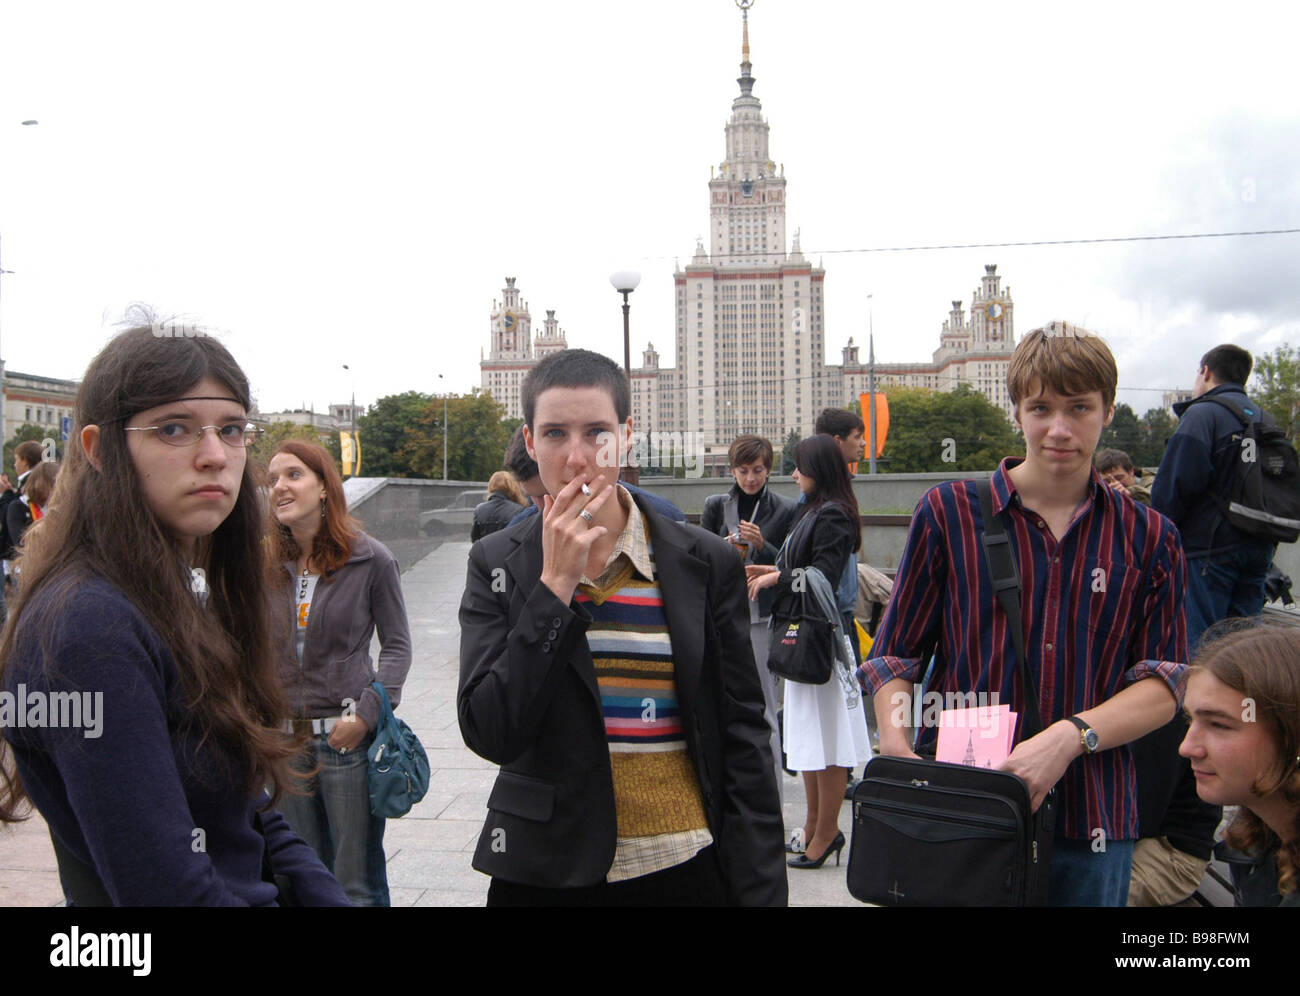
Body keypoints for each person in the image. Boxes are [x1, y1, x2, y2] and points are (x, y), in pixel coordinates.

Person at [0, 324, 349, 906]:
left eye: (231, 429)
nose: (215, 455)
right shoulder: (89, 627)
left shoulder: (167, 596)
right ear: (96, 448)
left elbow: (253, 816)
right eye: (173, 428)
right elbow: (167, 889)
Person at [862, 322, 1188, 906]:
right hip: (968, 804)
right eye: (1041, 407)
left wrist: (1069, 737)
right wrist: (895, 741)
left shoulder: (1150, 536)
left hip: (1094, 816)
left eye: (1079, 407)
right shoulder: (949, 513)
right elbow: (895, 655)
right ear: (1017, 411)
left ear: (1107, 410)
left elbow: (1164, 682)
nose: (1059, 429)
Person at [458, 348, 786, 906]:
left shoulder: (702, 562)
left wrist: (761, 887)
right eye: (556, 433)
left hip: (683, 862)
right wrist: (554, 588)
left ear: (627, 434)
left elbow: (743, 734)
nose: (578, 456)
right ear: (530, 443)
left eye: (597, 433)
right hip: (546, 869)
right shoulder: (497, 562)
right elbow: (490, 731)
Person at [267, 440, 413, 907]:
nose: (279, 487)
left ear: (324, 487)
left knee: (355, 883)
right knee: (300, 878)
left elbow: (397, 647)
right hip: (285, 744)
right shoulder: (265, 563)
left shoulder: (369, 558)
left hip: (345, 743)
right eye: (272, 479)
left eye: (292, 475)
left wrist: (366, 716)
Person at [748, 434, 871, 869]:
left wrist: (777, 580)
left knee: (829, 744)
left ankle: (827, 833)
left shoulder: (832, 514)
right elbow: (802, 567)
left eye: (800, 466)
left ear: (819, 468)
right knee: (811, 744)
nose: (795, 474)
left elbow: (822, 576)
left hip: (820, 644)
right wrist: (773, 569)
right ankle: (816, 827)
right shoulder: (816, 510)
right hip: (807, 641)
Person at [1151, 344, 1276, 653]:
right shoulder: (1265, 420)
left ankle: (1199, 702)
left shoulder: (1203, 414)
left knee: (1201, 646)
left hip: (1209, 550)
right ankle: (1244, 701)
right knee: (1244, 647)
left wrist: (1159, 538)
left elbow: (1174, 486)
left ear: (1205, 371)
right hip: (1259, 546)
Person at [701, 434, 797, 799]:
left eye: (757, 470)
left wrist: (762, 545)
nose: (750, 478)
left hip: (762, 616)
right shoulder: (716, 504)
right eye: (743, 471)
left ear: (769, 470)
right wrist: (721, 548)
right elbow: (698, 554)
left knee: (766, 706)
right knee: (722, 701)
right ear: (733, 470)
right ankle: (728, 788)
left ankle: (771, 792)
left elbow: (790, 565)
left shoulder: (786, 509)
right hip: (723, 612)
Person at [1179, 619, 1300, 907]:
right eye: (1190, 719)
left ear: (1290, 735)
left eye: (1219, 725)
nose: (1186, 747)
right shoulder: (1262, 834)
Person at [505, 422, 687, 527]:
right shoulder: (515, 535)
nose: (543, 508)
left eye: (551, 493)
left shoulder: (665, 520)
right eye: (532, 498)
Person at [472, 471, 527, 541]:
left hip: (486, 550)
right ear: (512, 486)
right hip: (509, 551)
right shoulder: (518, 510)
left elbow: (475, 539)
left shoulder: (479, 510)